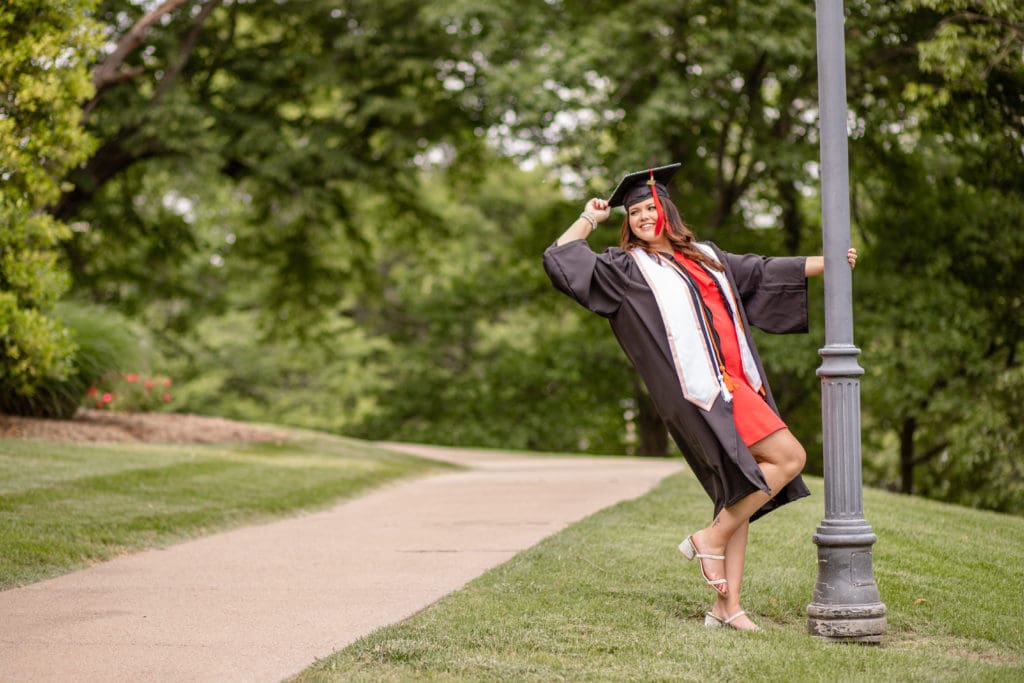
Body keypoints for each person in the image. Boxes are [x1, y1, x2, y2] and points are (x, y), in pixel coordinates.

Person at [542, 163, 857, 631]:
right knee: (789, 456)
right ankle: (709, 538)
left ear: (667, 210)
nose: (644, 218)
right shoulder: (628, 269)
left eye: (651, 208)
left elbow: (761, 272)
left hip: (738, 382)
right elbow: (562, 258)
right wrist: (590, 217)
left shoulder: (708, 256)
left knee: (740, 485)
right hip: (704, 391)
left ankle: (727, 608)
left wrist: (828, 264)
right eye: (635, 213)